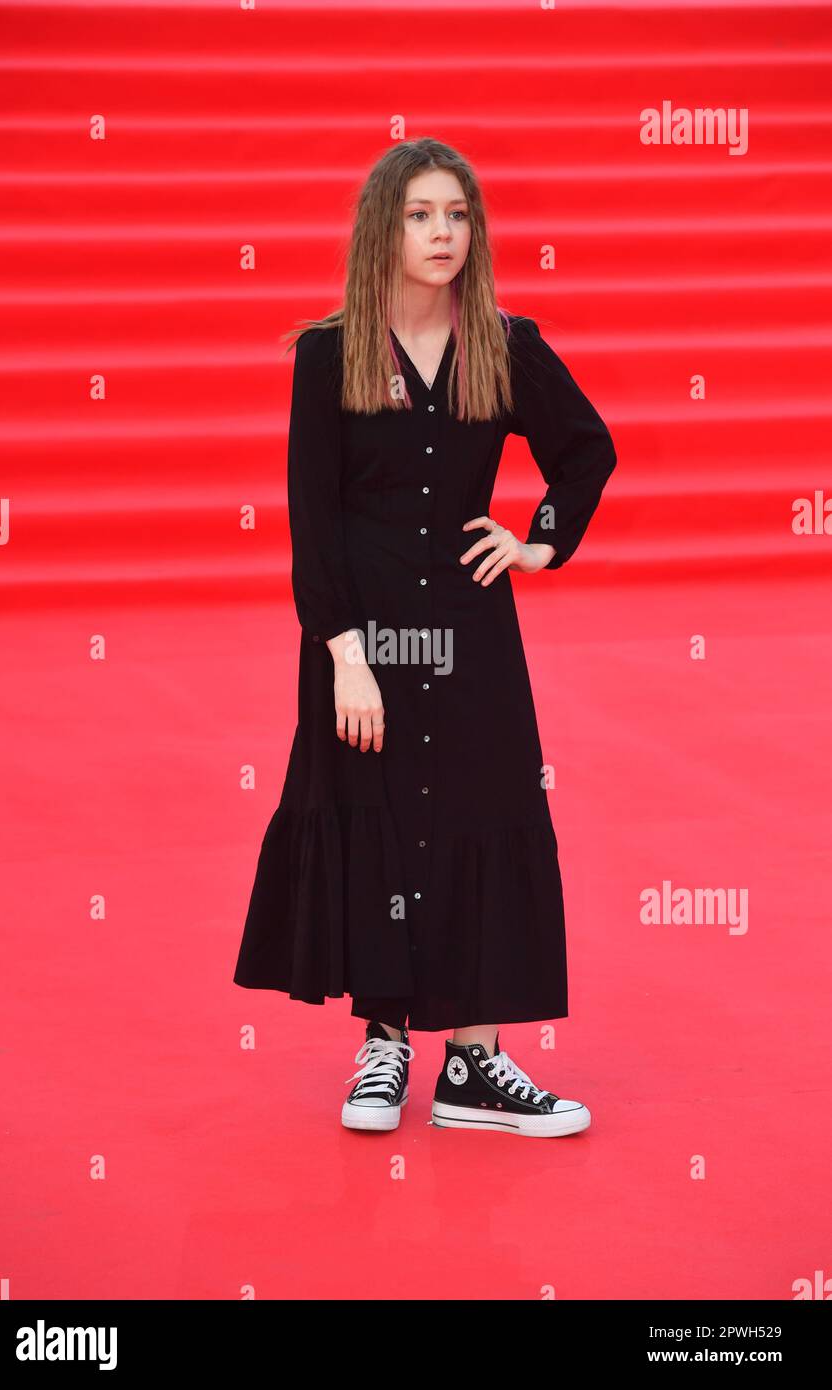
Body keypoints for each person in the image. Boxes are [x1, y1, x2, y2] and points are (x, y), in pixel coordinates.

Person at [233, 137, 617, 1139]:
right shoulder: (330, 353)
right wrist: (345, 658)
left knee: (481, 816)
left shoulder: (503, 341)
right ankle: (383, 1046)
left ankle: (475, 1065)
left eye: (456, 215)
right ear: (383, 229)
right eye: (419, 215)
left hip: (471, 630)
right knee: (377, 816)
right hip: (367, 638)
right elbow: (311, 523)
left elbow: (585, 449)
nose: (441, 233)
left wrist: (534, 543)